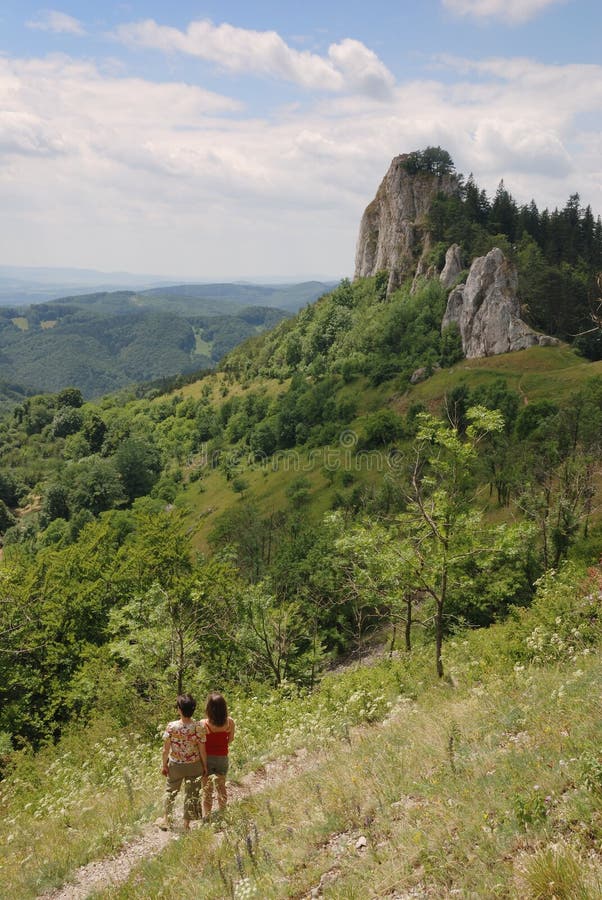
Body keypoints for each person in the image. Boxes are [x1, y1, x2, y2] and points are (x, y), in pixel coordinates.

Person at [157, 693, 207, 831]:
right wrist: (205, 766)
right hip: (194, 765)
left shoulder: (171, 727)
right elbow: (203, 750)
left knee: (171, 791)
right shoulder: (199, 727)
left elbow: (165, 750)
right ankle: (186, 825)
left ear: (179, 709)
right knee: (192, 793)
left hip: (176, 765)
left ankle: (166, 819)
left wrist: (164, 765)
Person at [201, 691, 235, 818]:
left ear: (209, 708)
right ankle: (223, 812)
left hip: (207, 760)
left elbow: (200, 743)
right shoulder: (230, 722)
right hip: (222, 758)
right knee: (221, 787)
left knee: (207, 790)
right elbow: (230, 739)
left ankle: (207, 816)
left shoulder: (203, 724)